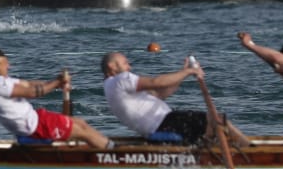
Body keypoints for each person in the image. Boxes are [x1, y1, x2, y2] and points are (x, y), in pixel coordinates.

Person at [100, 52, 248, 147]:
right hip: (166, 123)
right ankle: (252, 151)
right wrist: (189, 71)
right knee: (219, 120)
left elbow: (160, 94)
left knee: (213, 130)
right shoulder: (120, 80)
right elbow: (157, 82)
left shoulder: (112, 86)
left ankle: (229, 151)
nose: (129, 66)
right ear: (112, 66)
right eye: (125, 63)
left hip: (166, 123)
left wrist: (182, 74)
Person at [0, 47, 111, 147]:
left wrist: (56, 83)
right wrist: (57, 82)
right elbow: (32, 92)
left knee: (80, 123)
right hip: (36, 127)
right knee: (83, 132)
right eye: (5, 64)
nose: (9, 66)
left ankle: (107, 147)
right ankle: (116, 156)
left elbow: (28, 84)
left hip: (37, 120)